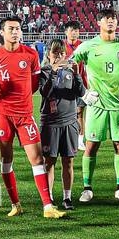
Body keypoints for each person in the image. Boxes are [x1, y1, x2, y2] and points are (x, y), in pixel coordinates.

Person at [0, 17, 69, 219]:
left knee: (37, 158)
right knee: (6, 160)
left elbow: (34, 85)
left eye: (18, 28)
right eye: (11, 29)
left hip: (25, 115)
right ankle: (15, 204)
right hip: (4, 115)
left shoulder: (31, 54)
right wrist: (1, 105)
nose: (15, 32)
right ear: (2, 33)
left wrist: (21, 99)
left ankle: (47, 206)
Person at [71, 9, 119, 202]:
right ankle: (87, 188)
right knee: (91, 146)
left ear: (117, 24)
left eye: (113, 19)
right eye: (106, 19)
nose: (110, 22)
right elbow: (70, 66)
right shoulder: (88, 46)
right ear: (99, 22)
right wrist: (83, 91)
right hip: (96, 105)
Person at [39, 40, 85, 210]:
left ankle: (67, 197)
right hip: (50, 123)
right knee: (49, 161)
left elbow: (81, 92)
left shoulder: (70, 71)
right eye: (55, 52)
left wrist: (77, 74)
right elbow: (44, 92)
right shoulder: (44, 72)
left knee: (68, 161)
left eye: (61, 53)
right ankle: (49, 198)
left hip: (70, 122)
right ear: (48, 54)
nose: (58, 56)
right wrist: (53, 72)